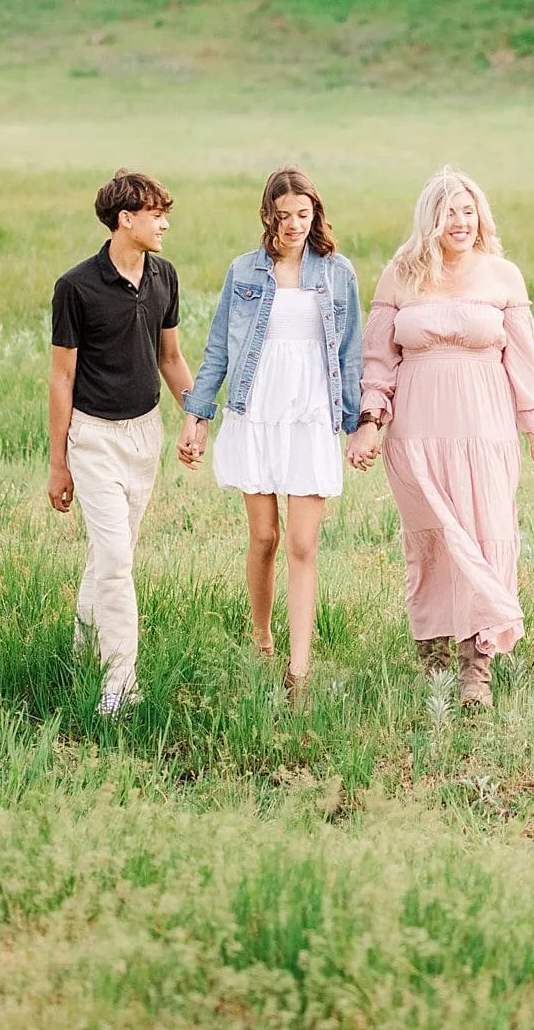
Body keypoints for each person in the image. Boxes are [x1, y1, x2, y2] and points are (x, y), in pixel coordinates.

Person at [346, 166, 534, 710]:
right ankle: (434, 653)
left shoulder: (503, 275)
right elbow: (377, 359)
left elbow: (525, 367)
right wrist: (372, 419)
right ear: (429, 220)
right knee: (434, 537)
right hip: (417, 430)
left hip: (485, 429)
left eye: (467, 210)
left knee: (485, 534)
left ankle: (476, 666)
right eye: (448, 213)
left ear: (480, 214)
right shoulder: (400, 274)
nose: (459, 222)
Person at [176, 168, 365, 700]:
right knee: (265, 537)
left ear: (315, 214)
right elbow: (217, 349)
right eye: (283, 216)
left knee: (304, 542)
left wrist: (358, 424)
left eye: (303, 215)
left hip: (309, 414)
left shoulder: (337, 273)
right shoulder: (244, 272)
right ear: (268, 216)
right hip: (255, 410)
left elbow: (351, 353)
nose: (294, 226)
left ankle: (299, 670)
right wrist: (197, 414)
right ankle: (261, 639)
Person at [49, 170, 194, 715]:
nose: (165, 222)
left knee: (113, 554)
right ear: (124, 219)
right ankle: (119, 684)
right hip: (92, 439)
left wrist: (197, 415)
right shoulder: (76, 287)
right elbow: (61, 377)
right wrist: (57, 463)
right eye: (155, 213)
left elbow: (172, 359)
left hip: (144, 434)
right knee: (114, 559)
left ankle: (82, 651)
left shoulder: (165, 276)